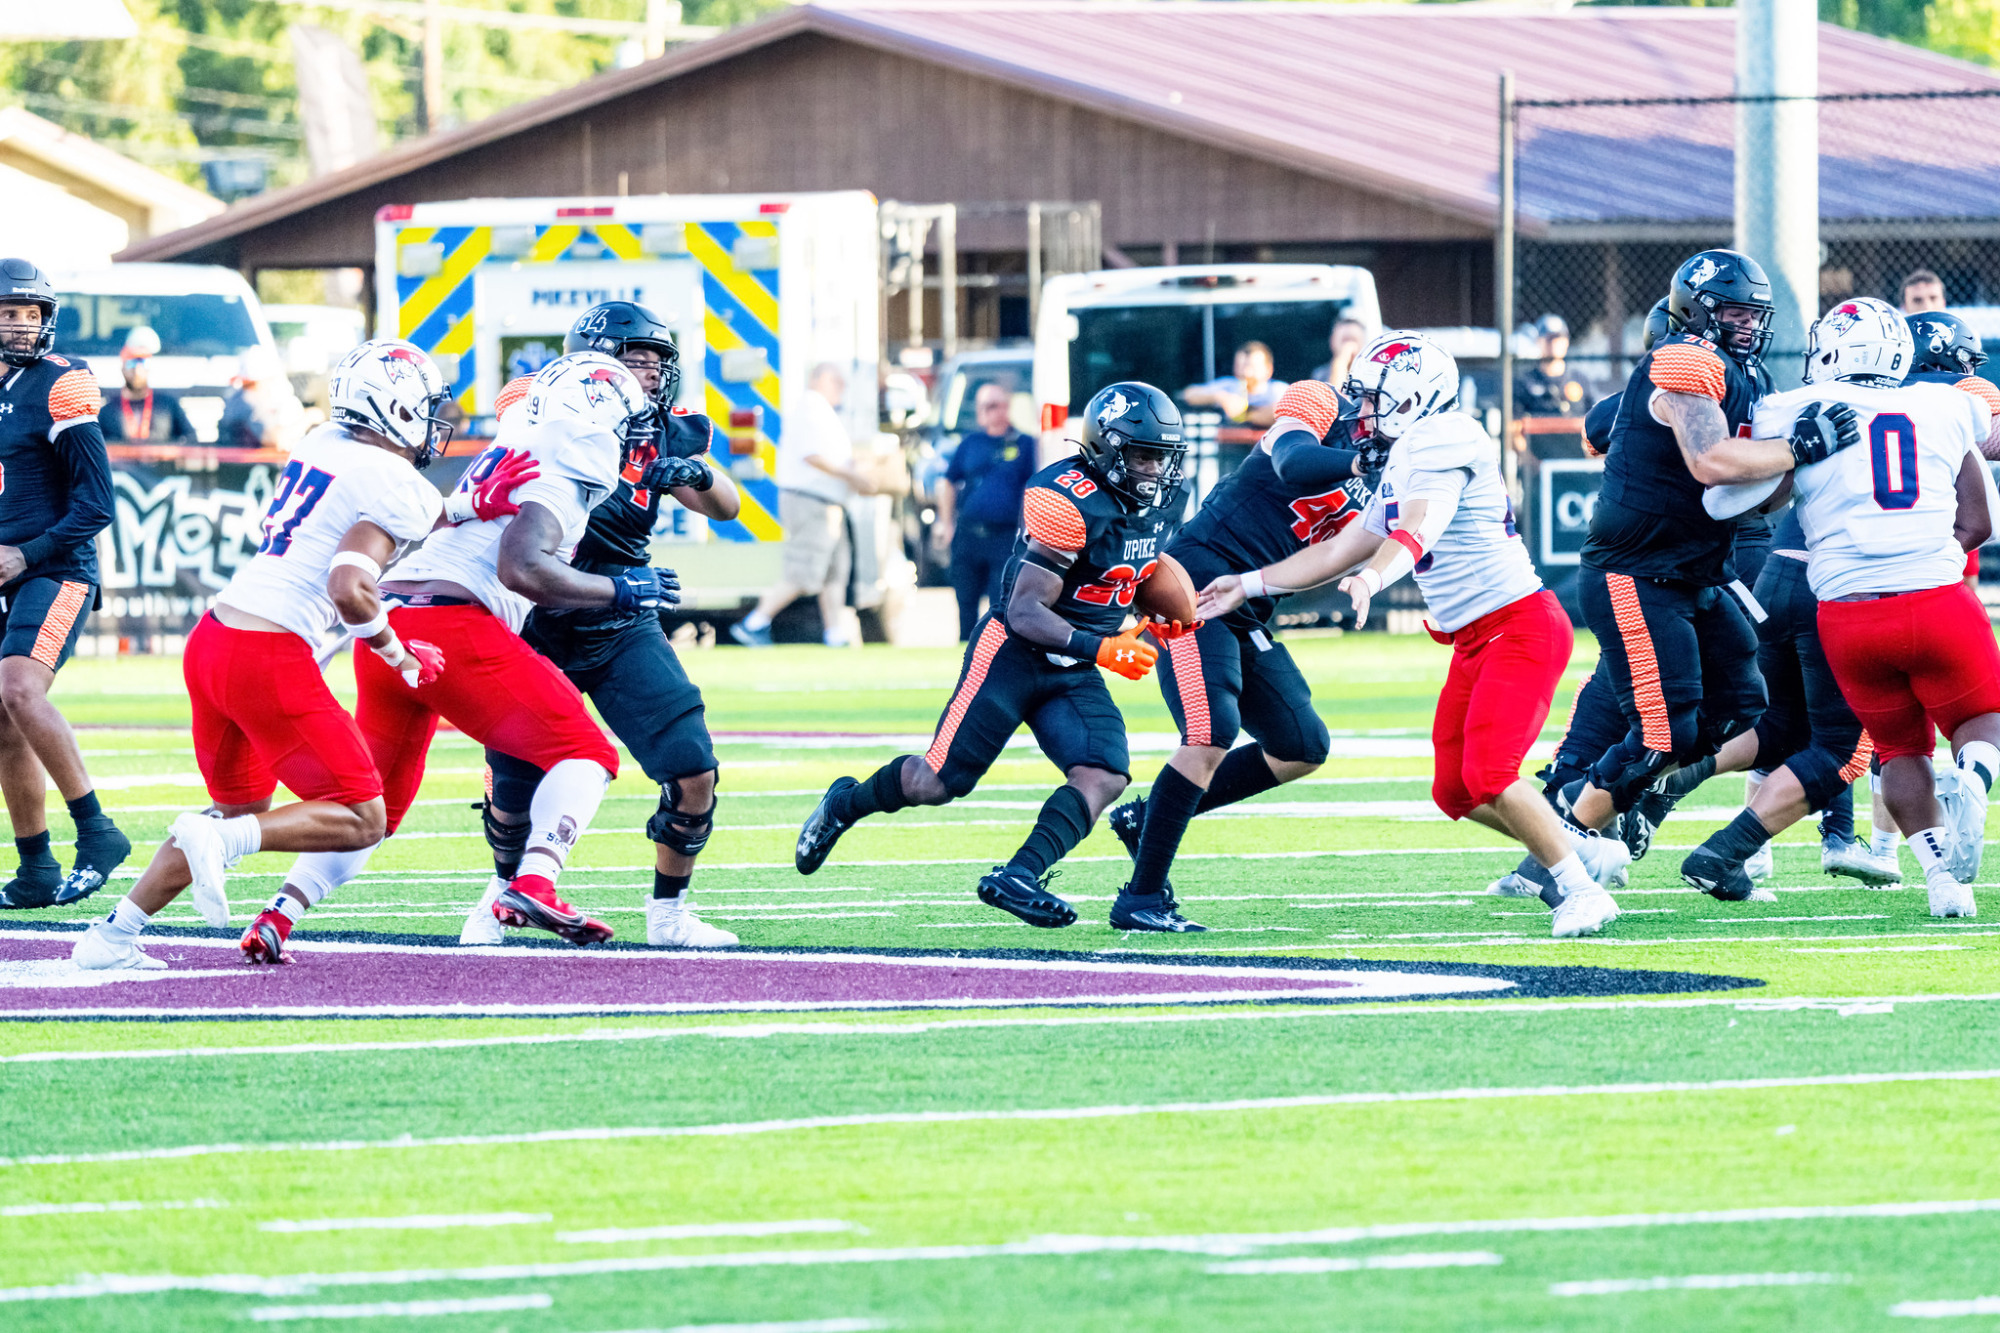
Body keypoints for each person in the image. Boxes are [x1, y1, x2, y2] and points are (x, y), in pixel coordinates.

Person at [71, 340, 530, 969]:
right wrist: (396, 651)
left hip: (215, 640)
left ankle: (113, 935)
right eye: (423, 406)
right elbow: (350, 585)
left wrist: (459, 506)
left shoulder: (320, 442)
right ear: (391, 407)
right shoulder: (399, 483)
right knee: (362, 815)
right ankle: (221, 844)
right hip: (269, 652)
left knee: (239, 808)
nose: (432, 421)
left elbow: (347, 530)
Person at [1199, 332, 1627, 939]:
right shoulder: (1409, 448)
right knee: (1453, 788)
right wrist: (1250, 583)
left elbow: (1419, 528)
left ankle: (1578, 889)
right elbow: (1348, 544)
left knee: (1489, 774)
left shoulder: (1444, 437)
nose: (1362, 414)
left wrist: (1374, 579)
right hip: (1478, 636)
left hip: (1519, 626)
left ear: (1412, 398)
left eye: (1373, 400)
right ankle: (1578, 851)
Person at [262, 353, 658, 948]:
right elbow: (522, 566)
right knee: (586, 752)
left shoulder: (517, 439)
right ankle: (536, 880)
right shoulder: (578, 453)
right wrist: (618, 591)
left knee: (374, 811)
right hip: (452, 625)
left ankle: (278, 914)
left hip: (391, 625)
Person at [796, 382, 1196, 930]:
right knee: (935, 783)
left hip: (1074, 664)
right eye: (1143, 455)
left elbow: (1137, 574)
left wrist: (1159, 621)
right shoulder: (1068, 496)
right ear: (1105, 448)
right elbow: (1024, 609)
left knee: (1104, 773)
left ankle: (1020, 875)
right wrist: (1102, 647)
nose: (1155, 470)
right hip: (1012, 651)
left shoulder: (1161, 501)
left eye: (1162, 457)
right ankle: (845, 803)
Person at [1702, 300, 1999, 917]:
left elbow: (1725, 505)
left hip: (1846, 613)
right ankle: (1972, 777)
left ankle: (1945, 882)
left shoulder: (1791, 407)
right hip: (1935, 596)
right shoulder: (1947, 405)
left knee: (1897, 749)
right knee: (1983, 720)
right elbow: (1980, 516)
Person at [1557, 250, 1862, 849]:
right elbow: (1711, 462)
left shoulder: (1751, 377)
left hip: (1698, 574)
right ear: (1697, 310)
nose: (1749, 326)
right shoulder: (1682, 358)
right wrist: (1801, 447)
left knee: (1742, 705)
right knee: (1665, 731)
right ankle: (1564, 841)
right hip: (1637, 571)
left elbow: (1758, 501)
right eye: (1736, 313)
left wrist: (1810, 464)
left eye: (1756, 315)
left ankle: (1610, 808)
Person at [466, 301, 744, 950]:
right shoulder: (541, 403)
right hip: (536, 616)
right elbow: (516, 403)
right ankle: (500, 892)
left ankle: (669, 911)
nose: (648, 376)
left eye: (656, 363)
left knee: (692, 767)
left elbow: (725, 506)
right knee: (512, 790)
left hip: (620, 618)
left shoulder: (662, 429)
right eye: (635, 361)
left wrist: (696, 470)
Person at [1101, 378, 1371, 930]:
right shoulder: (1319, 402)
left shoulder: (1402, 469)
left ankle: (1146, 820)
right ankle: (1141, 898)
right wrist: (1364, 462)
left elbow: (1350, 551)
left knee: (1302, 744)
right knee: (1210, 730)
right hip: (1193, 582)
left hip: (1246, 597)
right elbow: (1295, 463)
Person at [0, 257, 126, 909]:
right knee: (2, 718)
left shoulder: (61, 384)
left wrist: (27, 553)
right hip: (10, 572)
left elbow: (97, 502)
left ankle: (96, 831)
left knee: (19, 686)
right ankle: (36, 868)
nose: (22, 326)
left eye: (31, 313)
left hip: (56, 567)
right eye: (9, 313)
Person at [730, 363, 873, 647]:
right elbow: (813, 456)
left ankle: (834, 634)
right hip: (811, 501)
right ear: (818, 378)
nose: (841, 388)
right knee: (804, 571)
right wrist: (853, 475)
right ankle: (754, 623)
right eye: (836, 380)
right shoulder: (811, 408)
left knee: (835, 573)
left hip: (828, 503)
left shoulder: (822, 411)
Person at [935, 381, 1036, 641]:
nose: (991, 412)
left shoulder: (1024, 444)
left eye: (995, 405)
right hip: (969, 533)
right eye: (985, 407)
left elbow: (1032, 486)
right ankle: (965, 648)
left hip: (1003, 534)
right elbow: (948, 481)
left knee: (998, 599)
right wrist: (945, 523)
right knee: (965, 598)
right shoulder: (970, 443)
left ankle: (993, 651)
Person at [96, 327, 195, 443]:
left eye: (143, 362)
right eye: (131, 363)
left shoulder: (169, 406)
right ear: (122, 368)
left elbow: (191, 440)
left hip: (161, 461)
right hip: (121, 462)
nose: (137, 370)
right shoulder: (107, 412)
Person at [218, 345, 305, 450]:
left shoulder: (238, 398)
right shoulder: (250, 401)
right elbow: (274, 439)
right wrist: (308, 419)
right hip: (253, 464)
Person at [1185, 341, 1287, 428]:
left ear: (1268, 370)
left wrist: (1243, 414)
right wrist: (1219, 397)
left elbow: (1286, 411)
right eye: (1240, 366)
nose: (1246, 373)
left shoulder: (1278, 390)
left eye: (1252, 367)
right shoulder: (1229, 385)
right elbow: (1189, 394)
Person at [1514, 314, 1598, 418]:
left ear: (1567, 341)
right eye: (1549, 338)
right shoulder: (1526, 382)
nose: (1554, 343)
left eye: (1559, 338)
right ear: (1538, 341)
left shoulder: (1580, 379)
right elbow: (1514, 423)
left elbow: (1596, 416)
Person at [1311, 317, 1371, 386]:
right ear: (1332, 342)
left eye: (1353, 340)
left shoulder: (1371, 374)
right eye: (1345, 340)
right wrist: (1341, 361)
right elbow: (1335, 395)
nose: (1348, 346)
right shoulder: (1320, 375)